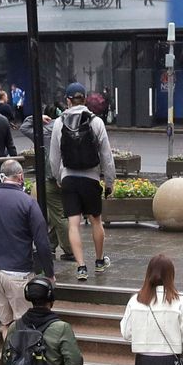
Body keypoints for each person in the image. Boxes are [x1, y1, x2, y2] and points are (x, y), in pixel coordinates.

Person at [0, 160, 56, 328]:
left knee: (6, 324)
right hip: (18, 272)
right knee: (23, 324)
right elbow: (42, 242)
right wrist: (49, 273)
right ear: (21, 176)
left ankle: (9, 353)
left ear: (2, 176)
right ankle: (22, 354)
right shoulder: (28, 202)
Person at [48, 82, 115, 281]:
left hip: (69, 178)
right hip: (91, 178)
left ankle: (81, 267)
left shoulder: (59, 123)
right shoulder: (96, 122)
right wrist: (109, 182)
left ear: (68, 101)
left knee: (73, 224)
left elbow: (54, 157)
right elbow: (106, 156)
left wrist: (59, 177)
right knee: (96, 220)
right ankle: (100, 261)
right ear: (85, 99)